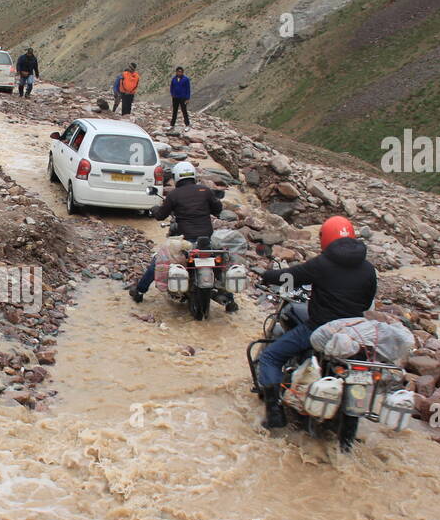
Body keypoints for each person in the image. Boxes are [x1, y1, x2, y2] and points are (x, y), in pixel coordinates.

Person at [256, 216, 378, 429]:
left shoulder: (323, 263)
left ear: (325, 237)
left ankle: (274, 414)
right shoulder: (367, 268)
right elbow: (367, 302)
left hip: (320, 328)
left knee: (270, 356)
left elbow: (291, 276)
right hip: (355, 334)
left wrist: (267, 275)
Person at [129, 162, 234, 311]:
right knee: (221, 265)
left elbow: (160, 215)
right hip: (207, 241)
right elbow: (218, 209)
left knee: (159, 261)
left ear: (176, 177)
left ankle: (139, 291)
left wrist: (155, 209)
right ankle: (230, 301)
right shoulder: (205, 191)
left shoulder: (174, 195)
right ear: (193, 176)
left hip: (185, 241)